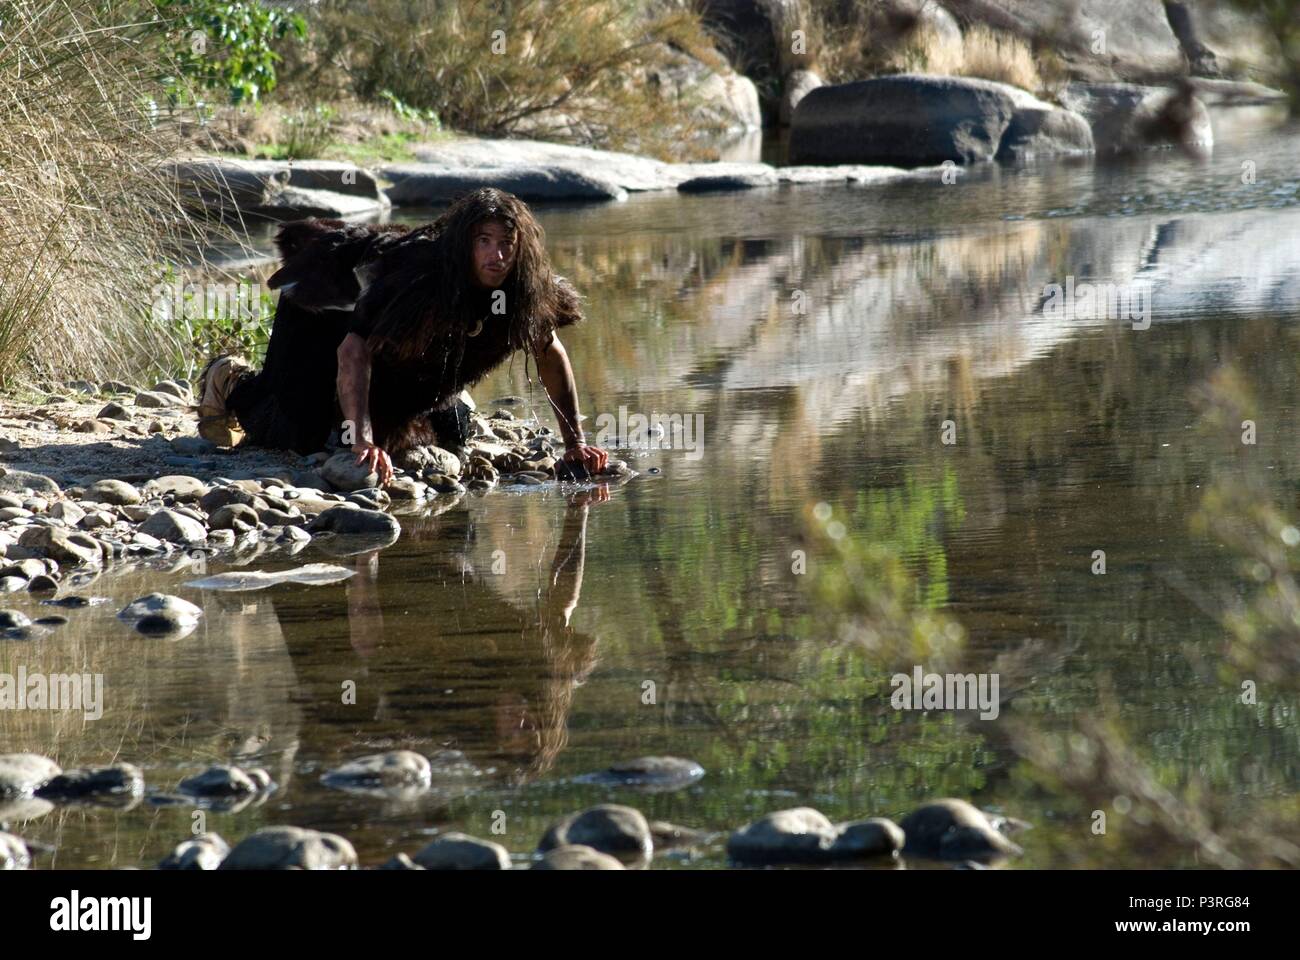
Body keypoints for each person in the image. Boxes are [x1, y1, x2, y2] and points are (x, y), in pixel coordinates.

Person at [197, 187, 608, 484]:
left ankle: (432, 401)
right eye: (483, 242)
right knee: (300, 431)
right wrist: (361, 441)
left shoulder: (525, 288)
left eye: (506, 244)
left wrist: (575, 442)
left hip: (403, 366)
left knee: (454, 433)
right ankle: (230, 378)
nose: (496, 256)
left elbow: (549, 353)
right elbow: (353, 351)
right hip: (322, 315)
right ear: (464, 245)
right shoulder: (418, 278)